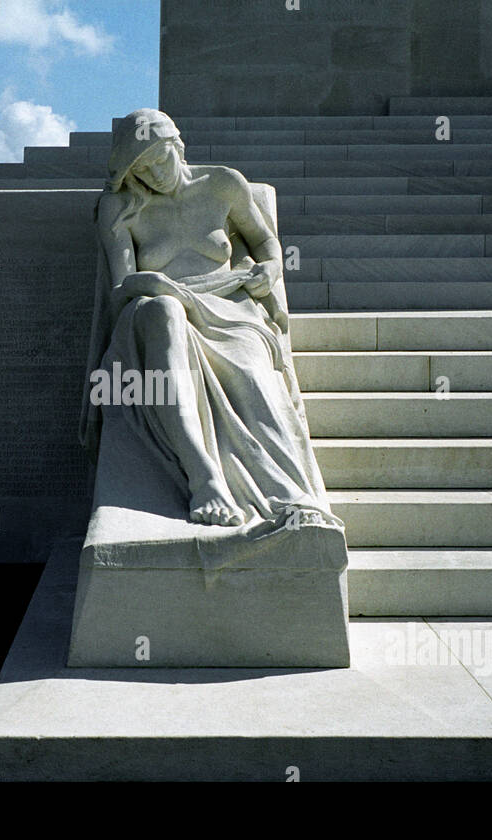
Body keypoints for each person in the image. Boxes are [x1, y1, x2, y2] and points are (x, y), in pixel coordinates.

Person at [80, 108, 340, 532]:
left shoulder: (223, 183)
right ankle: (205, 477)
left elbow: (265, 242)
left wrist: (270, 270)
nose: (153, 175)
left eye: (158, 160)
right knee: (165, 314)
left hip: (230, 308)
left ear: (177, 147)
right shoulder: (120, 206)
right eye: (140, 169)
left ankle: (288, 495)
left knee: (254, 377)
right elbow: (122, 285)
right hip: (153, 305)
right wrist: (169, 290)